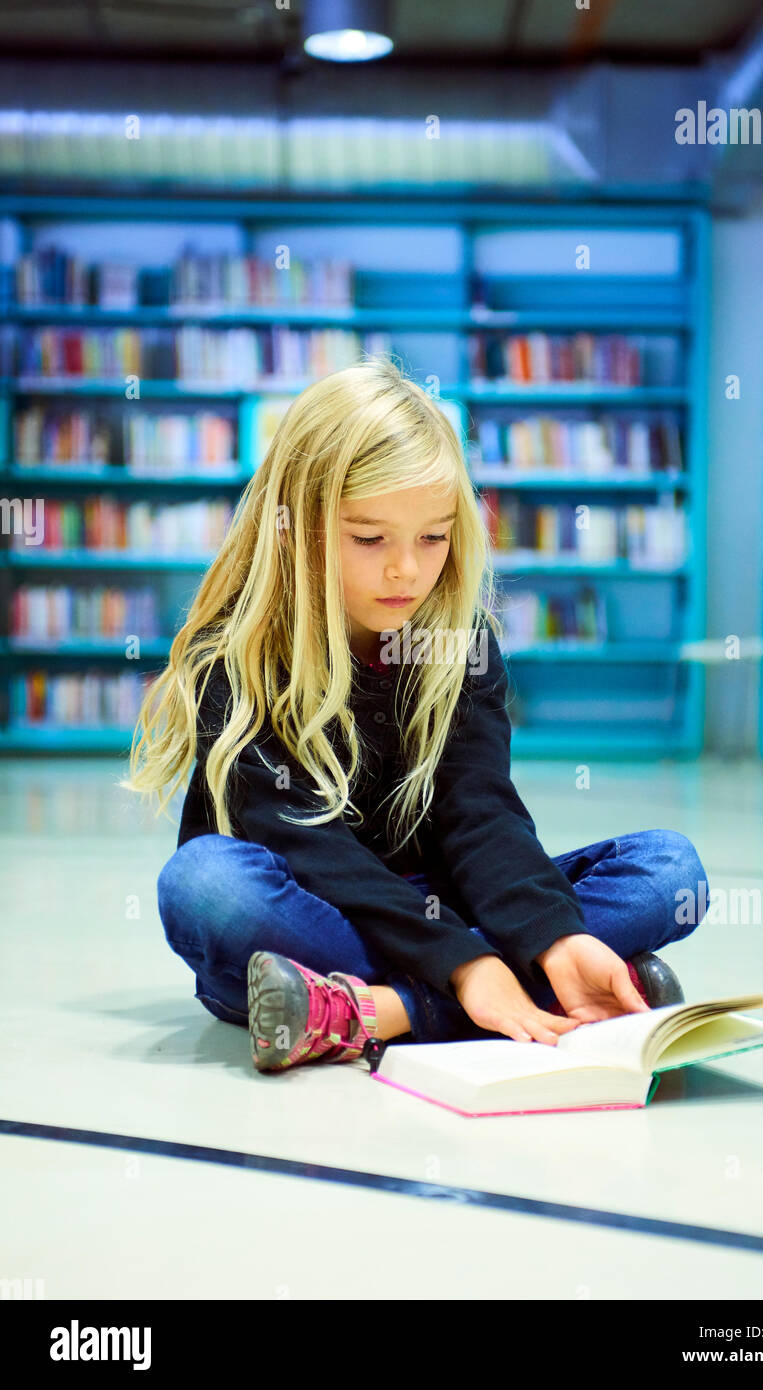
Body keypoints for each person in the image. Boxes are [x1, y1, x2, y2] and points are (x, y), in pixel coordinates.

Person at [121, 355, 708, 1075]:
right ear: (295, 525)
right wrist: (465, 965)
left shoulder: (458, 643)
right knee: (206, 885)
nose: (406, 570)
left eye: (433, 537)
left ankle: (376, 1013)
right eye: (370, 539)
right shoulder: (234, 653)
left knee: (670, 871)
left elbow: (480, 815)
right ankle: (494, 997)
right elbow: (305, 845)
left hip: (443, 908)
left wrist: (555, 937)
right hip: (309, 921)